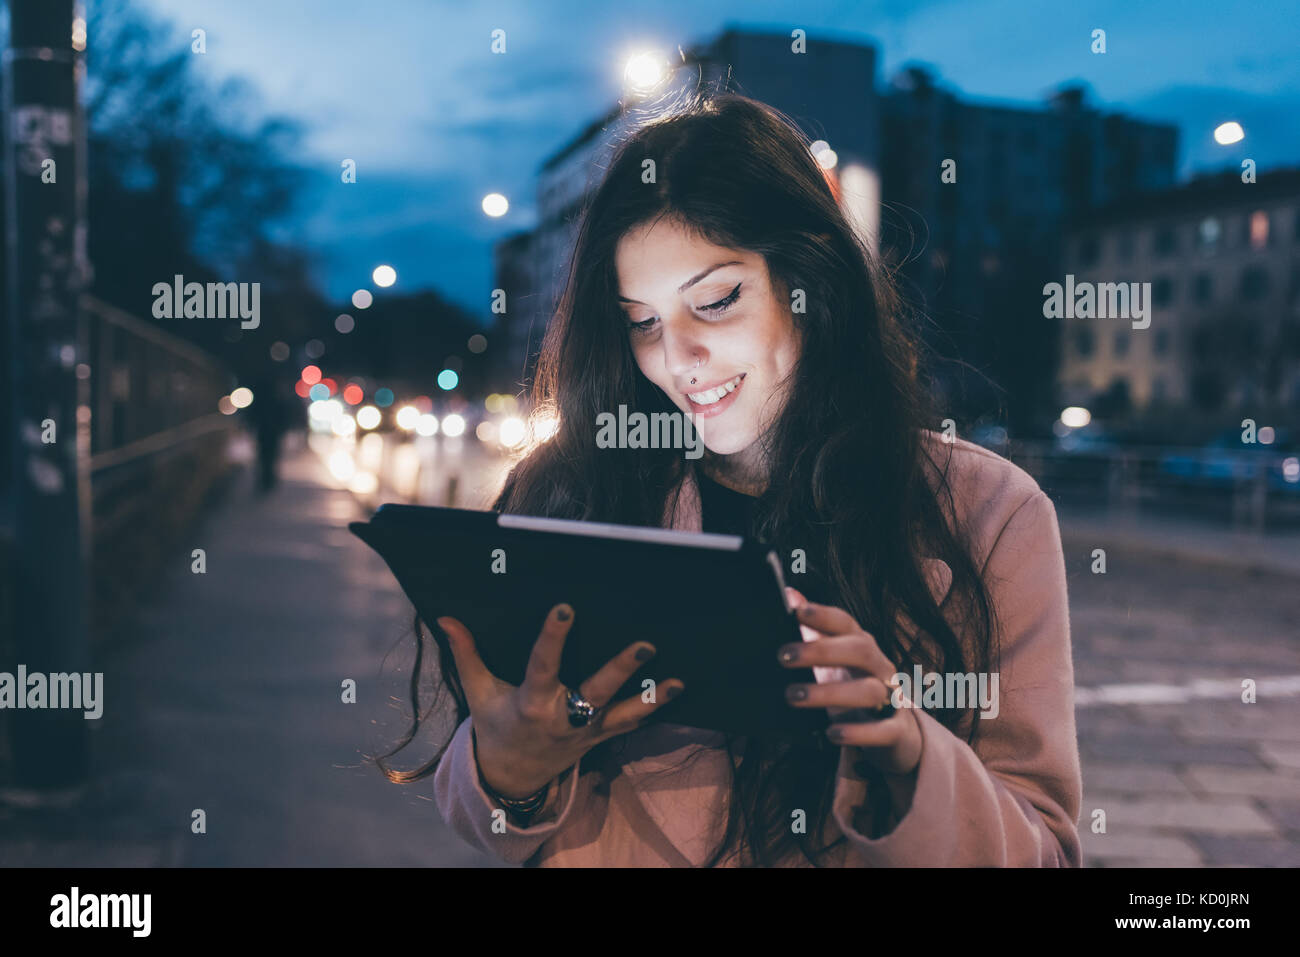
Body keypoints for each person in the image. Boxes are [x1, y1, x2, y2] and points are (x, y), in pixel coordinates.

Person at [379, 92, 1082, 867]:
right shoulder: (569, 488)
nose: (676, 358)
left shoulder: (991, 511)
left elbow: (1041, 849)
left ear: (811, 280)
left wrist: (911, 756)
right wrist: (507, 776)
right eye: (642, 321)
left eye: (715, 301)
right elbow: (485, 806)